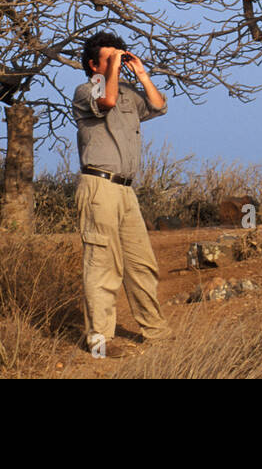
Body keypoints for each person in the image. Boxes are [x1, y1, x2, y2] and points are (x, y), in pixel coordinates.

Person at [71, 30, 174, 355]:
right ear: (92, 63)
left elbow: (159, 106)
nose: (118, 60)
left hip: (126, 190)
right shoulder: (86, 90)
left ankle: (156, 333)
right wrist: (114, 69)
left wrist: (141, 73)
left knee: (141, 263)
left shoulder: (129, 91)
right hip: (98, 186)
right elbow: (107, 100)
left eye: (119, 55)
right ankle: (100, 341)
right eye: (109, 57)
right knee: (102, 264)